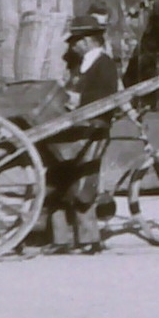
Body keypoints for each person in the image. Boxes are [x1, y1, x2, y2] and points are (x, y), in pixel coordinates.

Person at [44, 13, 121, 252]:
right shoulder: (81, 65)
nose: (72, 45)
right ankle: (61, 239)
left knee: (84, 182)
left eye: (75, 41)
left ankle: (90, 239)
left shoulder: (105, 64)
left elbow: (106, 97)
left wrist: (80, 98)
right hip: (76, 128)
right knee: (58, 178)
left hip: (94, 128)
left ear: (88, 40)